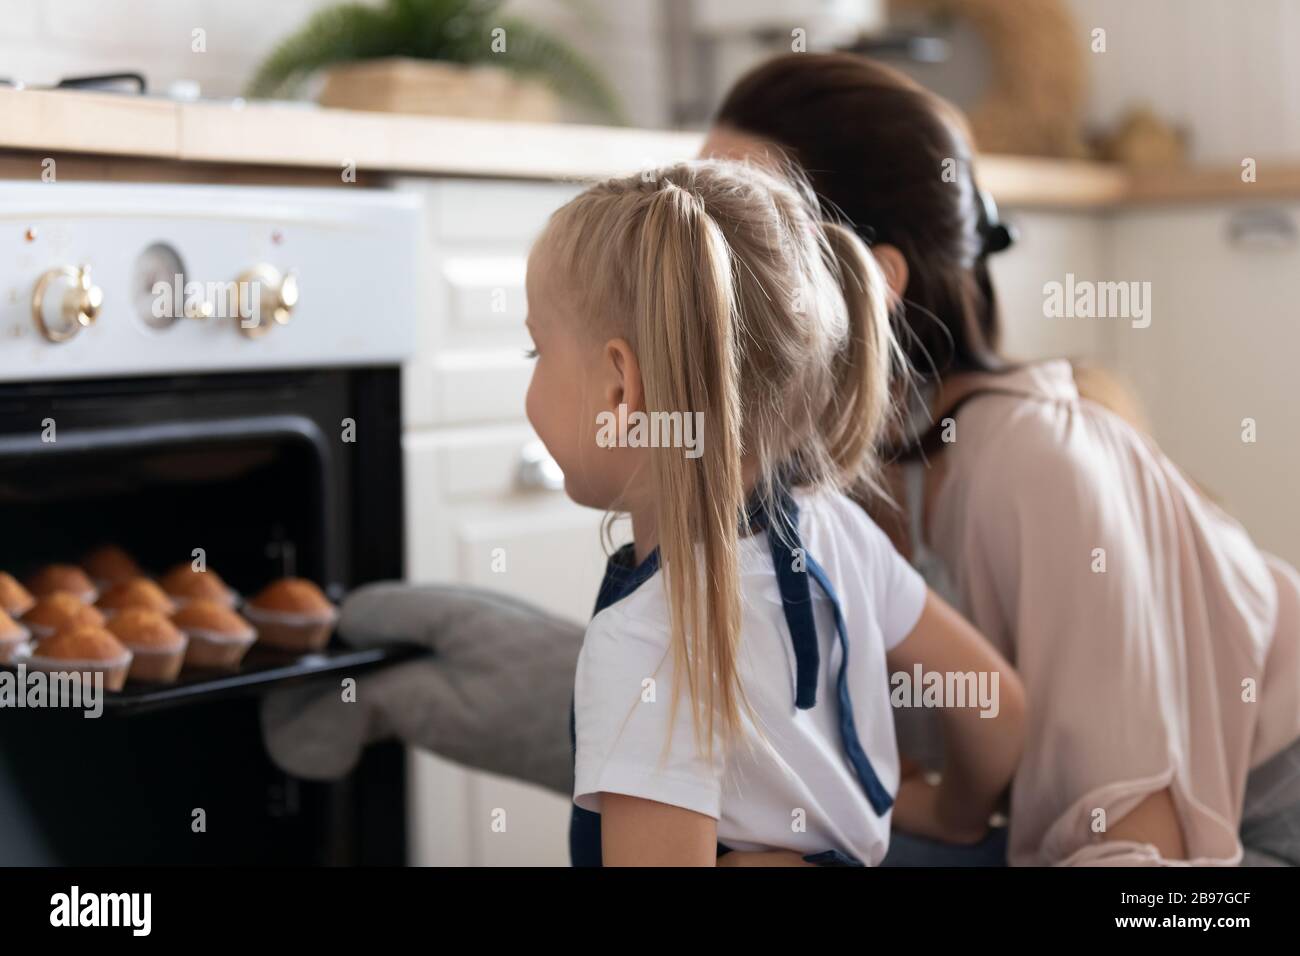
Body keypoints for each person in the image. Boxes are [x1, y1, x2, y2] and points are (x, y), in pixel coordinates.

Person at [263, 52, 1300, 867]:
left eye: (737, 230)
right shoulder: (829, 483)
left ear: (866, 282)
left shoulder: (1034, 463)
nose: (699, 267)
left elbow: (1141, 847)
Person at [521, 156, 1024, 866]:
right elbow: (997, 705)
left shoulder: (644, 642)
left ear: (619, 390)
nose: (531, 377)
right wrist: (951, 814)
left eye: (534, 349)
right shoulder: (838, 526)